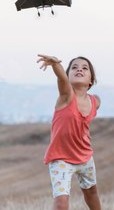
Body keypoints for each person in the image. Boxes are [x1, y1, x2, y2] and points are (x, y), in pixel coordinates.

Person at [37, 54, 102, 210]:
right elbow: (62, 80)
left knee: (91, 193)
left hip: (85, 156)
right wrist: (55, 64)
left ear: (91, 80)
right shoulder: (66, 96)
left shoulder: (95, 101)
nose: (79, 69)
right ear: (67, 76)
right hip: (61, 159)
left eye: (84, 68)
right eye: (74, 67)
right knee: (61, 202)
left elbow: (83, 121)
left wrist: (82, 133)